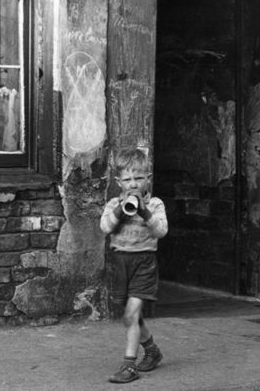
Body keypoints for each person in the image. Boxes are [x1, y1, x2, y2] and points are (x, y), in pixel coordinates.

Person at [100, 147, 169, 383]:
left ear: (148, 179)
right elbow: (106, 228)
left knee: (131, 314)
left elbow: (161, 231)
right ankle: (152, 350)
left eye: (139, 178)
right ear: (119, 182)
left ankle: (129, 366)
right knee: (131, 315)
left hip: (144, 263)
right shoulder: (112, 204)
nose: (133, 184)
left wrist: (144, 211)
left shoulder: (156, 204)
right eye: (127, 179)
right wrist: (122, 209)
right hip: (120, 262)